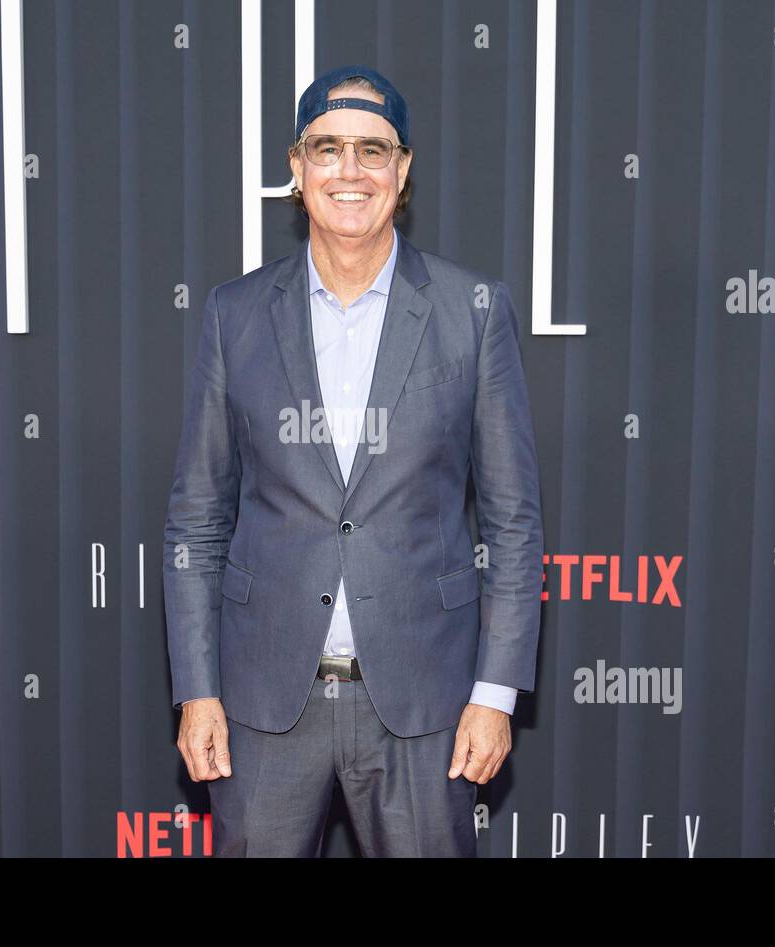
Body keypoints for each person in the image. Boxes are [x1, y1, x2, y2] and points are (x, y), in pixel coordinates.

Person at [163, 64, 543, 857]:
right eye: (326, 148)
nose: (350, 170)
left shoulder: (471, 312)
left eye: (373, 150)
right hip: (263, 702)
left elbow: (512, 523)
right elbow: (197, 520)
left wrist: (496, 693)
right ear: (296, 169)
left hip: (425, 705)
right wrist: (197, 690)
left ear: (402, 172)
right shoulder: (234, 315)